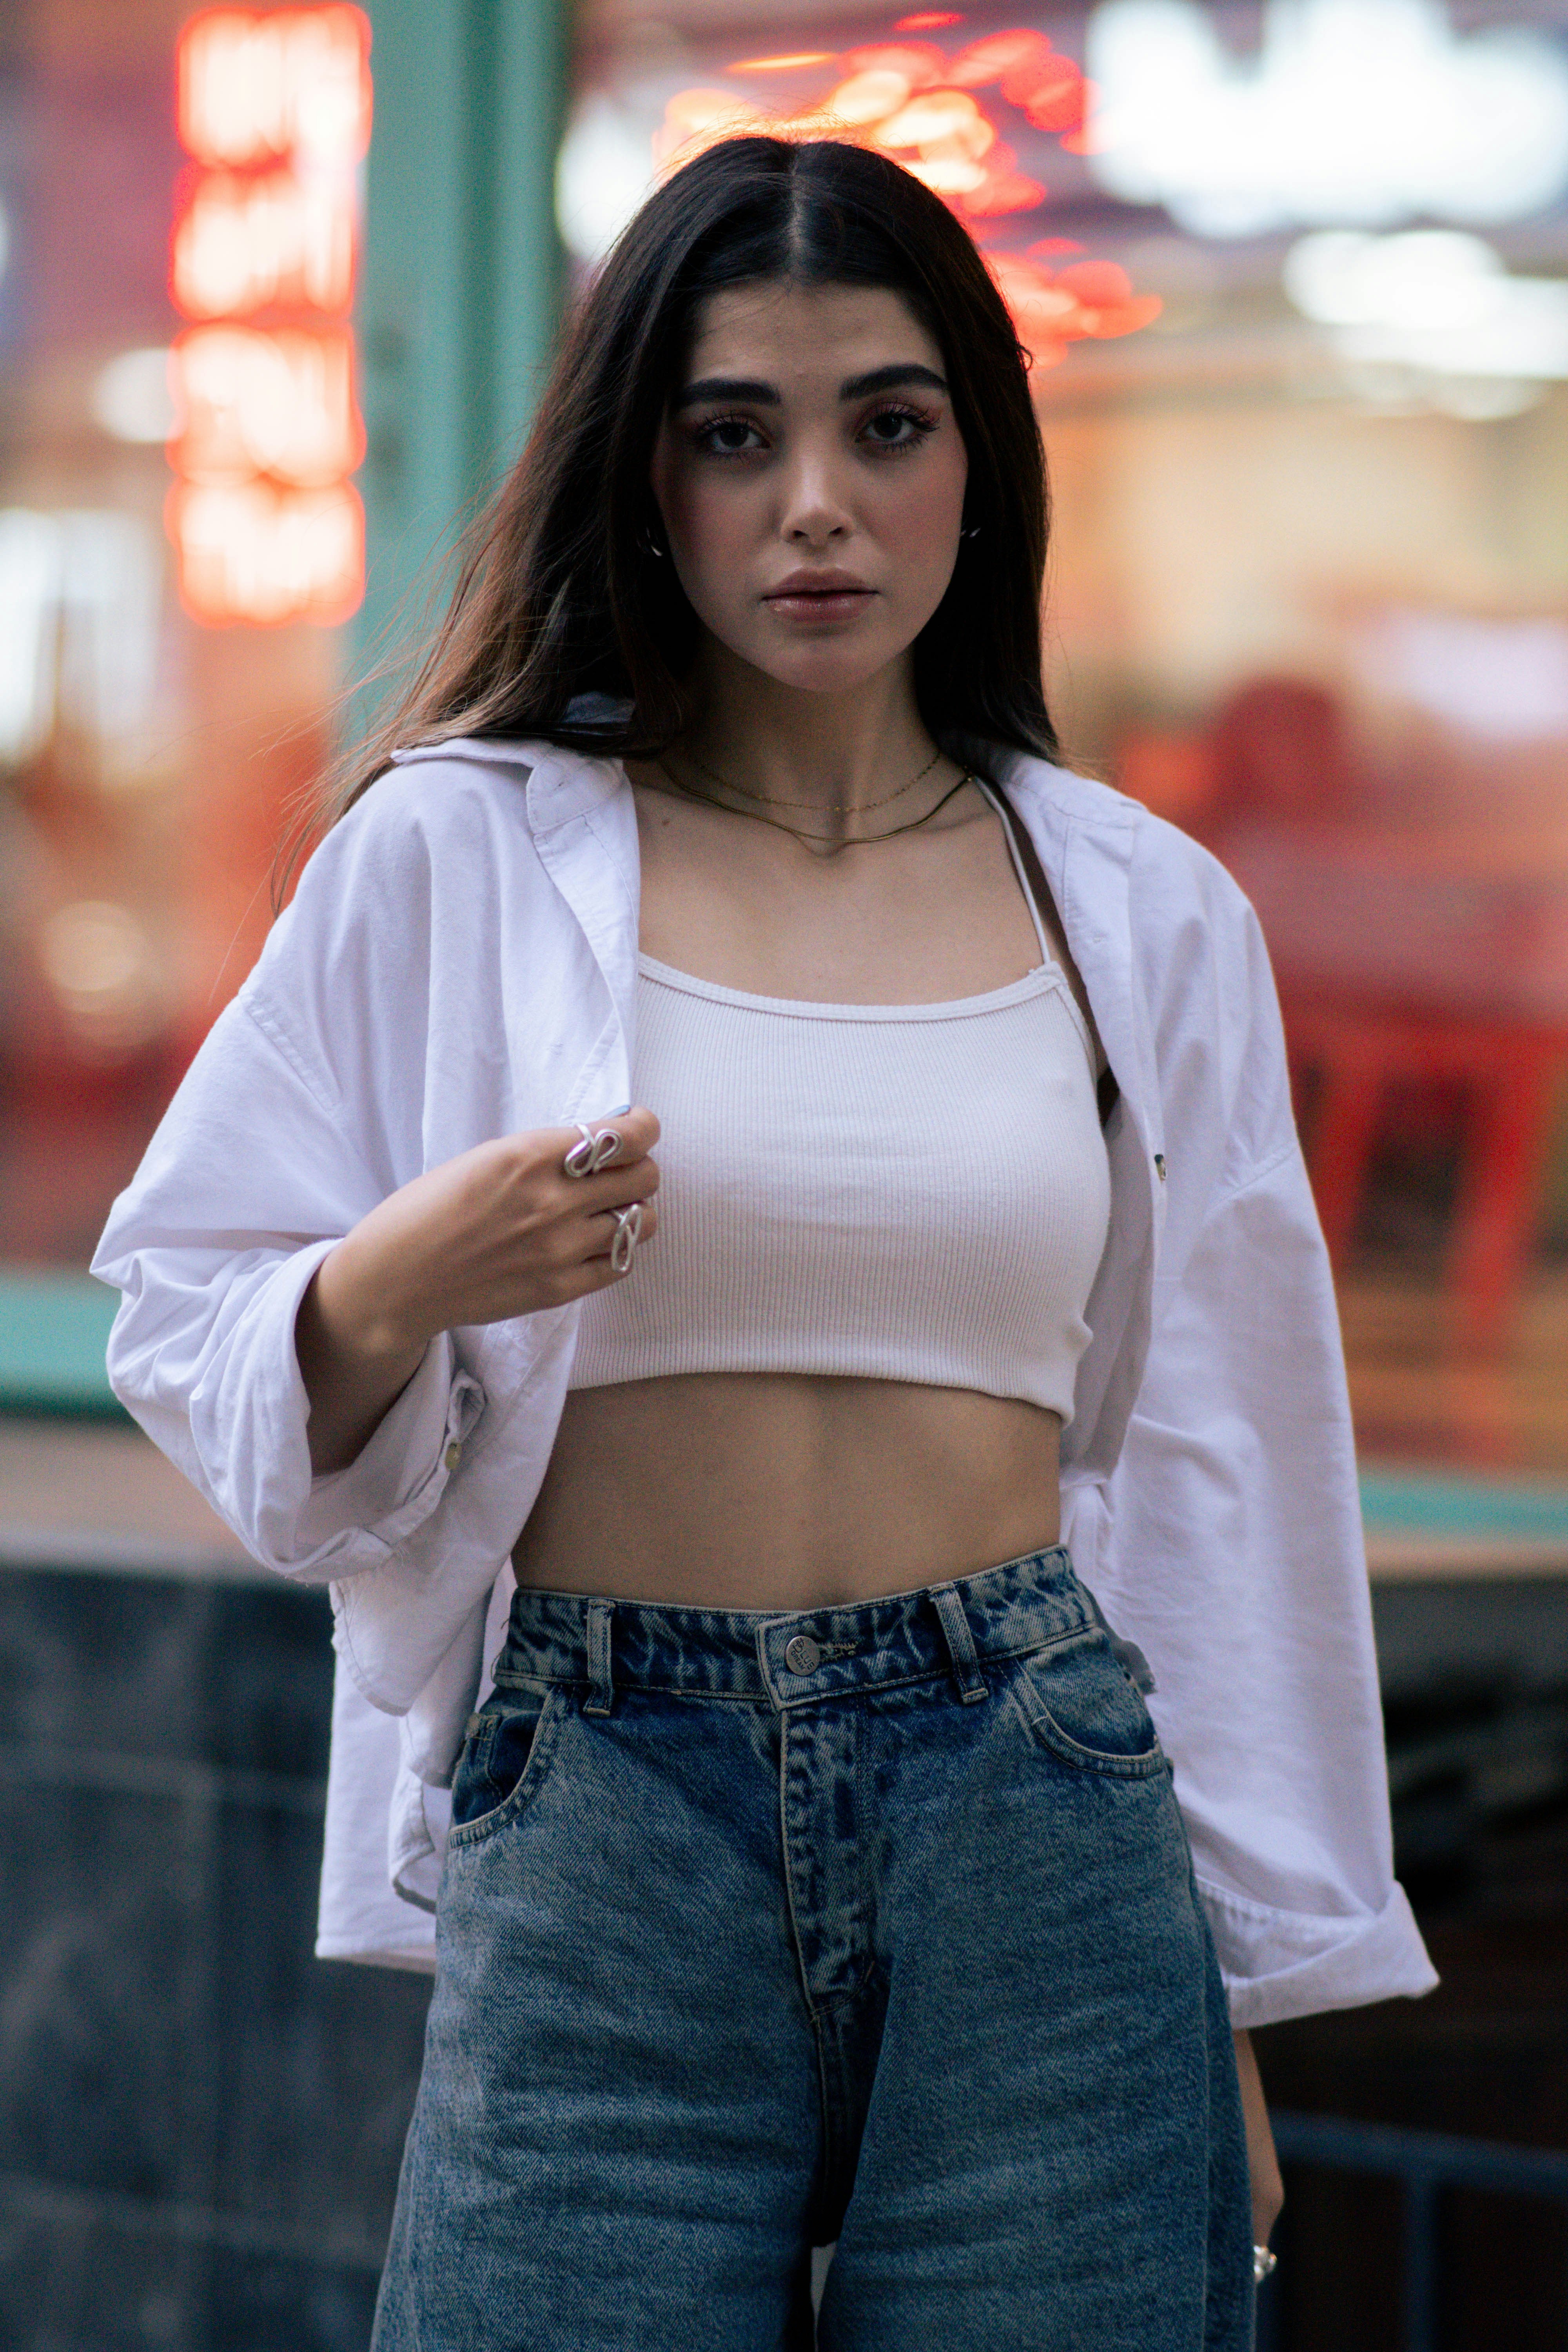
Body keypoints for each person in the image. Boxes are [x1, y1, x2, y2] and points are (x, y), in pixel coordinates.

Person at [93, 136, 1435, 2348]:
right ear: (646, 475)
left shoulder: (1139, 907)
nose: (815, 502)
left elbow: (1221, 1453)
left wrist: (1242, 1988)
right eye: (736, 435)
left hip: (1040, 1797)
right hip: (610, 1793)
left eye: (884, 425)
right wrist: (402, 1272)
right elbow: (189, 1304)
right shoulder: (457, 851)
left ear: (977, 464)